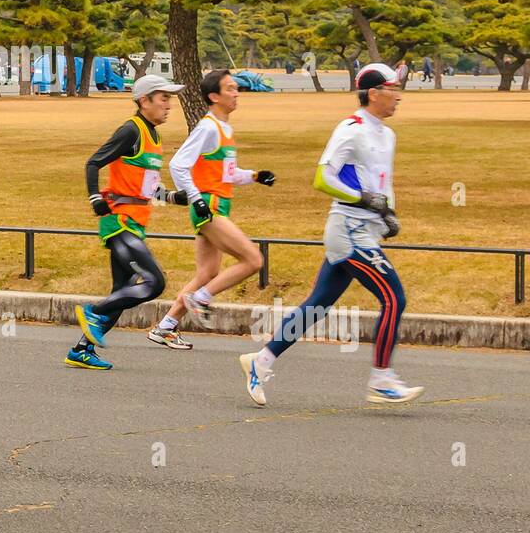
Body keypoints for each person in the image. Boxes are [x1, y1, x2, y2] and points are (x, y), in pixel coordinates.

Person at [239, 64, 423, 408]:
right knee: (394, 299)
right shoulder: (350, 130)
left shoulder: (387, 134)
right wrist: (364, 200)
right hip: (348, 232)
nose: (398, 96)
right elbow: (323, 179)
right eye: (392, 89)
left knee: (317, 305)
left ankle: (261, 360)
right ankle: (382, 378)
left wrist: (387, 214)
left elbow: (379, 184)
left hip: (366, 231)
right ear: (372, 93)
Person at [67, 74, 192, 370]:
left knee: (121, 292)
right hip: (118, 222)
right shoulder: (131, 130)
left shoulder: (153, 136)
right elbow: (93, 162)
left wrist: (174, 197)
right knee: (153, 283)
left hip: (134, 223)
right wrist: (94, 198)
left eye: (169, 99)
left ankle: (81, 350)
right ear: (144, 101)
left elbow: (147, 187)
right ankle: (93, 311)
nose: (169, 106)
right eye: (163, 98)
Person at [148, 70, 276, 344]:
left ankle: (166, 325)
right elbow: (178, 165)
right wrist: (196, 199)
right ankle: (201, 298)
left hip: (216, 204)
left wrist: (255, 176)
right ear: (214, 96)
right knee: (253, 260)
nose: (236, 92)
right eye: (230, 88)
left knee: (208, 273)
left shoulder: (224, 128)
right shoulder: (208, 127)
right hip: (209, 206)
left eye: (236, 88)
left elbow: (227, 174)